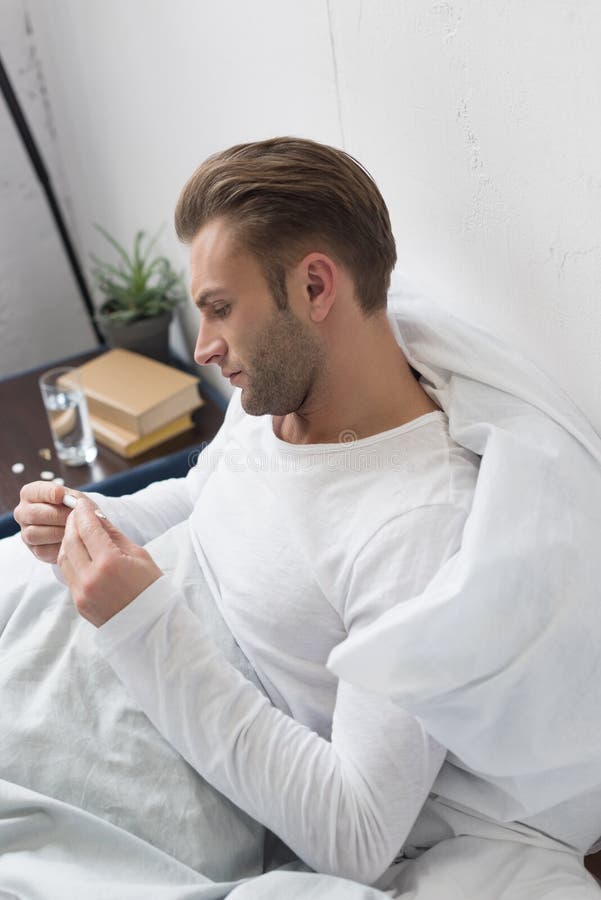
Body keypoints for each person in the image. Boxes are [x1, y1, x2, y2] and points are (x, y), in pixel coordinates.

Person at [13, 137, 600, 898]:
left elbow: (355, 833)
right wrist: (96, 519)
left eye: (220, 309)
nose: (203, 347)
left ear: (316, 286)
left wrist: (141, 623)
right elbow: (208, 492)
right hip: (119, 643)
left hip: (167, 717)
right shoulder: (283, 392)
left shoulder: (415, 528)